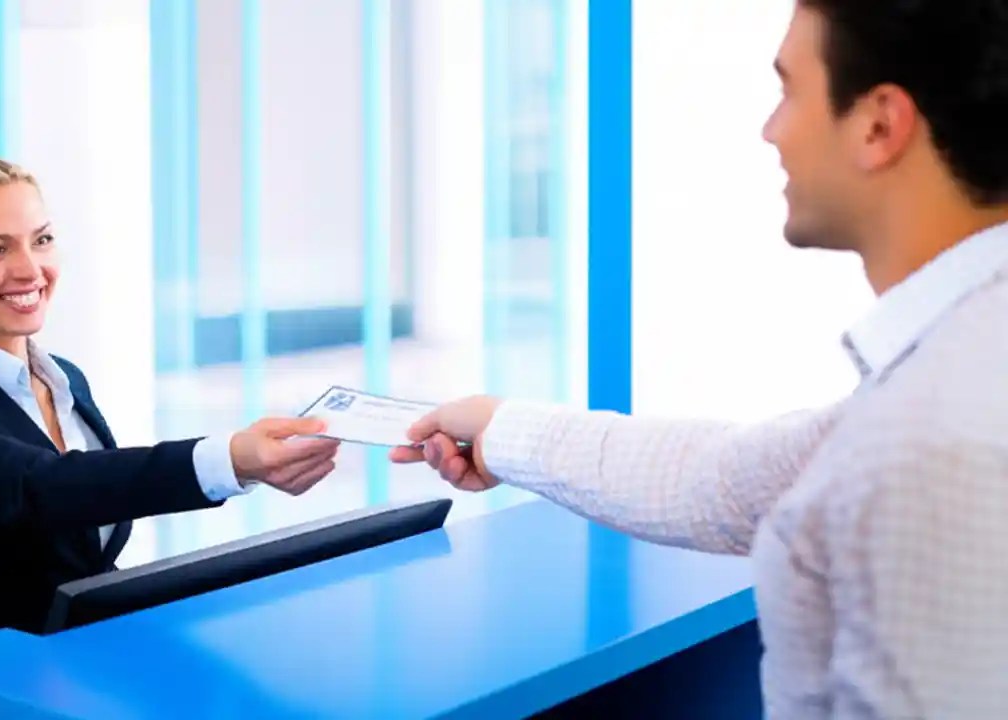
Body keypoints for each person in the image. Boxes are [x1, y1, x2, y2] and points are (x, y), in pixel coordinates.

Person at [392, 1, 1008, 718]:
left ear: (879, 125)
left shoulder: (936, 442)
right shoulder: (954, 363)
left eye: (788, 91)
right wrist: (500, 428)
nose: (770, 130)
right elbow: (721, 478)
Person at [0, 154, 339, 650]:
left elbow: (90, 541)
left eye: (42, 240)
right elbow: (41, 489)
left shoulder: (65, 380)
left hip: (87, 663)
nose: (30, 269)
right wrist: (227, 460)